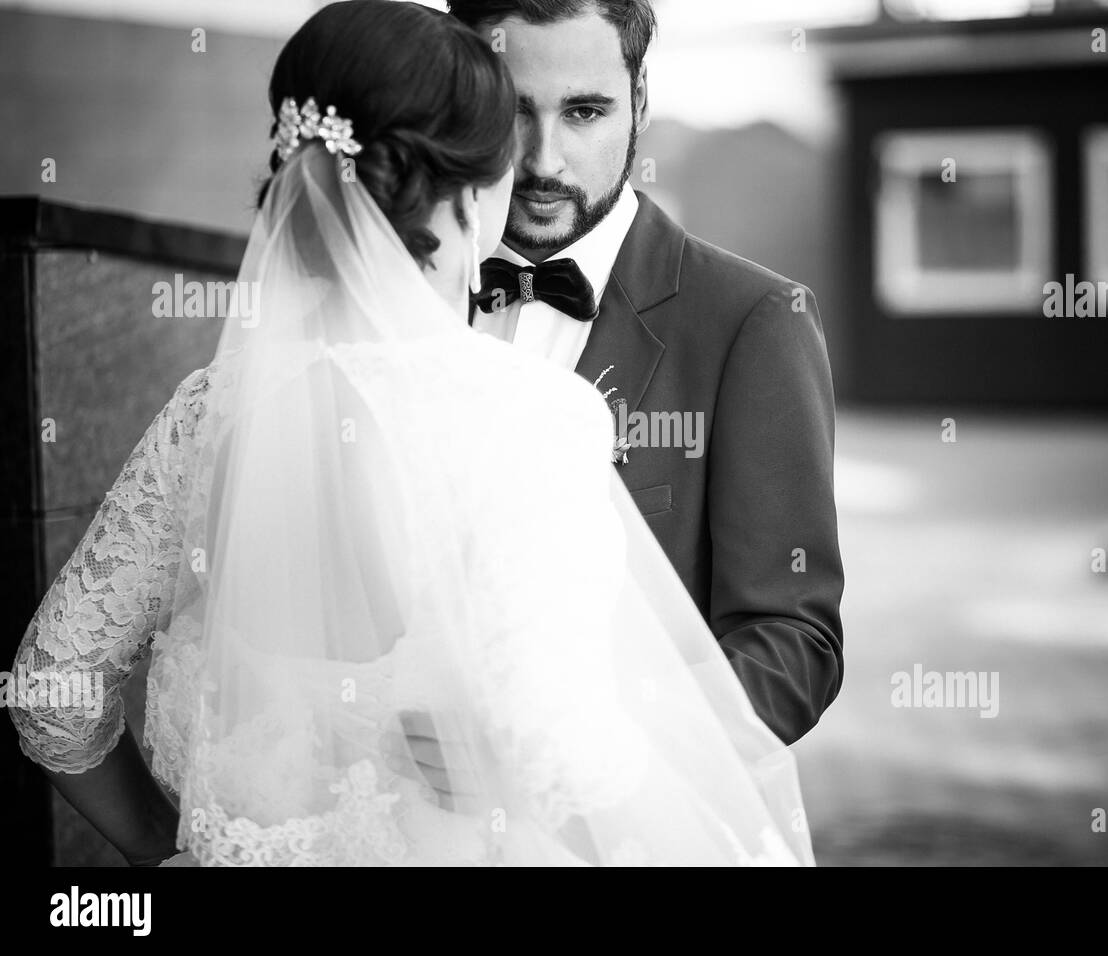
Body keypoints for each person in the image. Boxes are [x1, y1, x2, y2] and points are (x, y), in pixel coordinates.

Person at [7, 0, 812, 867]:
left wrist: (161, 849)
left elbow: (49, 692)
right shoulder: (532, 419)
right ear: (475, 185)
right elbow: (573, 761)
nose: (540, 161)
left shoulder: (204, 415)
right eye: (513, 127)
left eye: (583, 110)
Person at [450, 0, 845, 745]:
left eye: (585, 112)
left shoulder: (753, 320)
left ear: (640, 105)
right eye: (511, 111)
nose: (542, 160)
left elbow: (792, 646)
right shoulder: (403, 298)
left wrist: (583, 745)